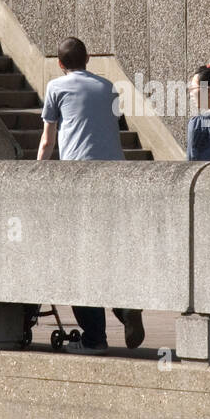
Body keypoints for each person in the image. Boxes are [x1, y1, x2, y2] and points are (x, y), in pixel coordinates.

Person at [37, 36, 145, 355]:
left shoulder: (56, 88)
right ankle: (125, 308)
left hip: (78, 181)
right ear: (89, 60)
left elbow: (47, 142)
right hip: (115, 179)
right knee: (107, 251)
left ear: (59, 64)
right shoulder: (109, 87)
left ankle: (95, 337)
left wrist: (36, 177)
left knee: (76, 260)